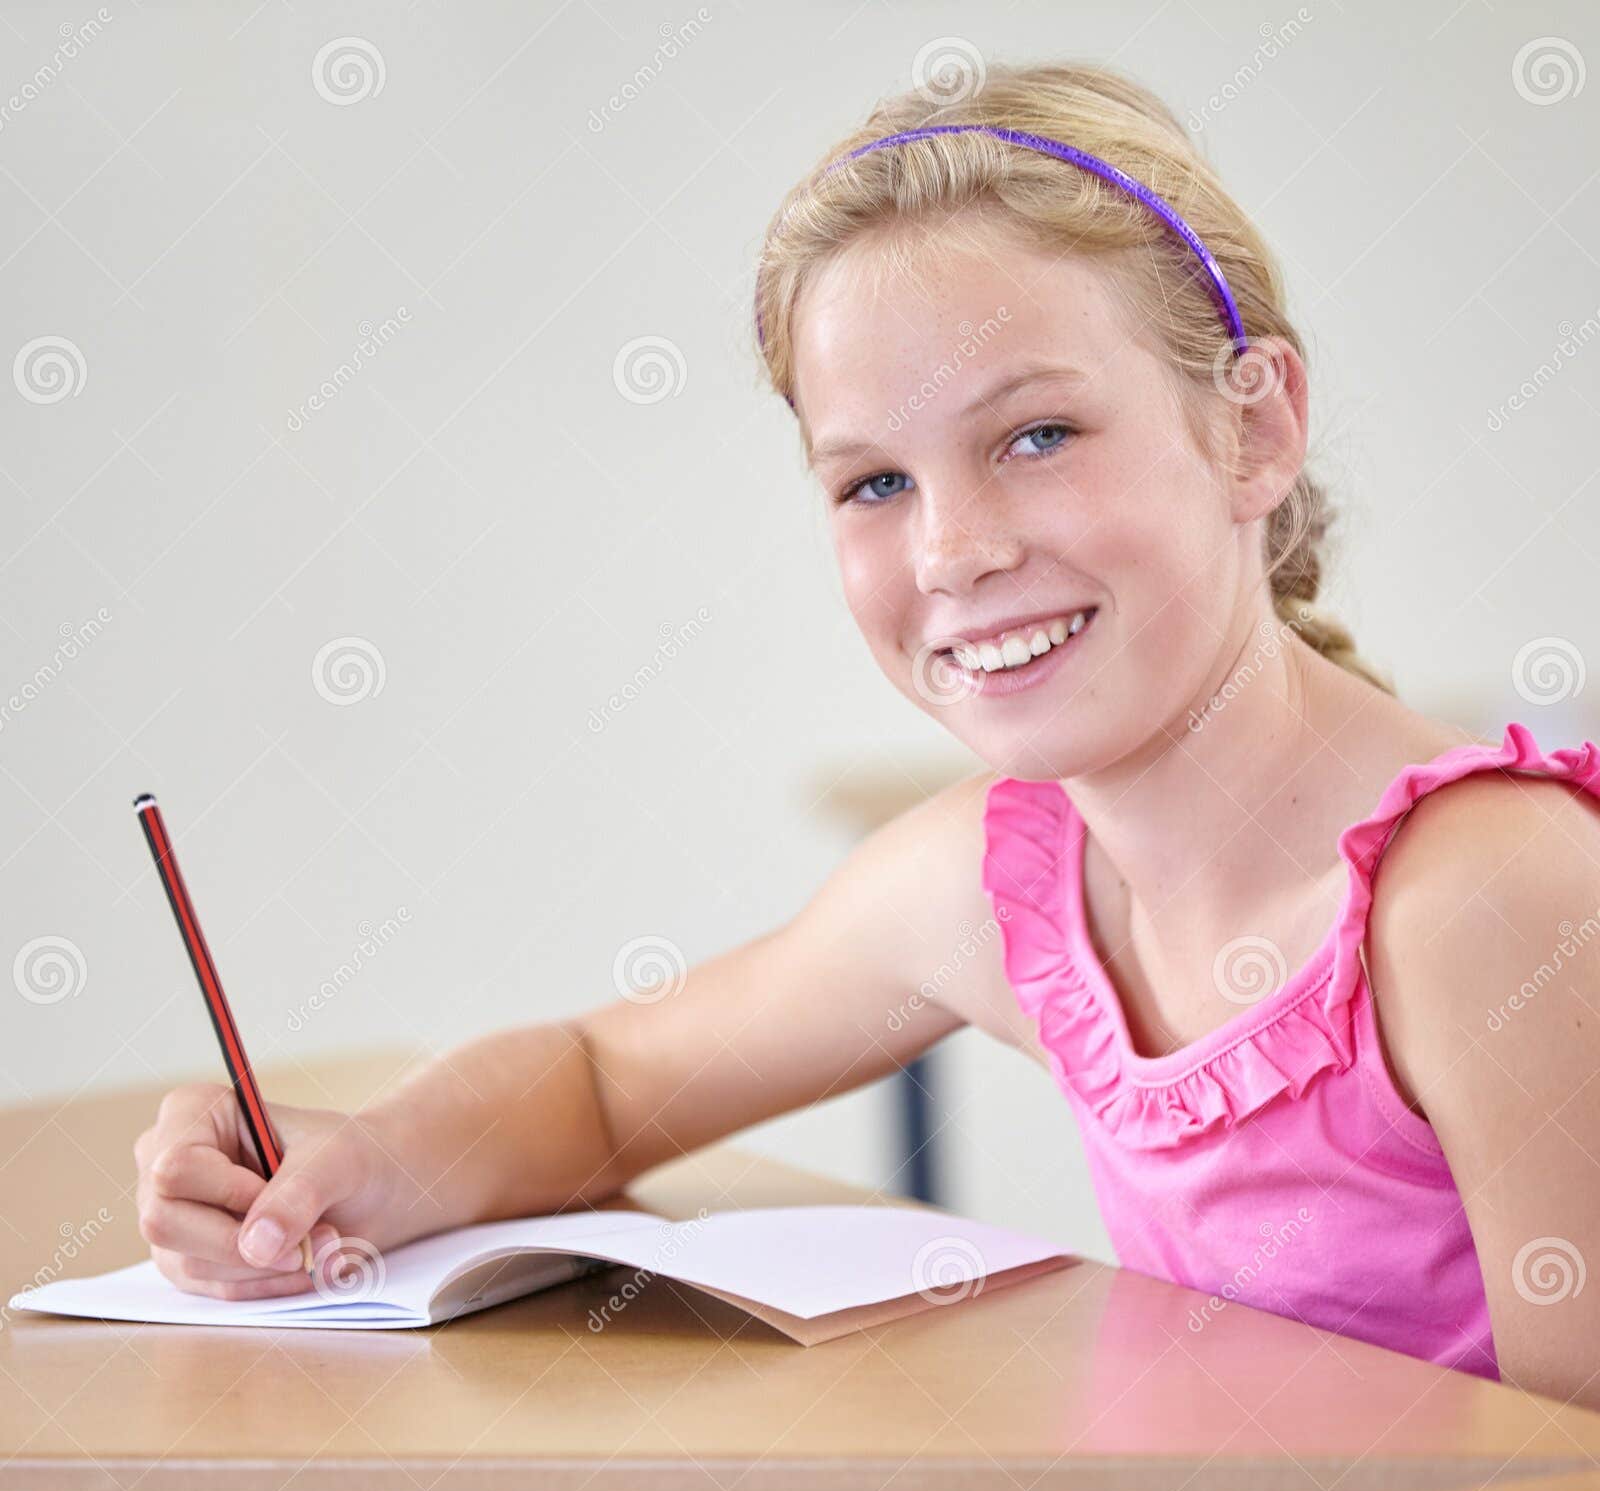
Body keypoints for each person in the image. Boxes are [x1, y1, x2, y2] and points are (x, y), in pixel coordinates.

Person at [134, 61, 1600, 1408]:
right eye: (875, 483)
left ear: (1254, 429)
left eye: (1037, 436)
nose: (954, 549)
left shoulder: (1491, 903)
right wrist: (358, 1166)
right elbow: (606, 1079)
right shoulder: (1004, 883)